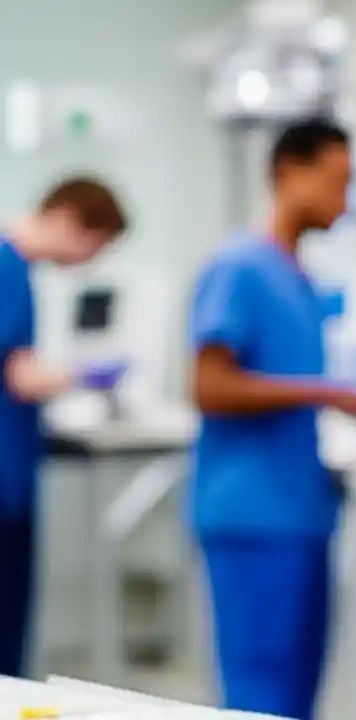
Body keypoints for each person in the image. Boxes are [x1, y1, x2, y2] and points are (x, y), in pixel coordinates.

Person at [189, 118, 356, 720]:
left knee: (297, 697)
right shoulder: (239, 266)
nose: (344, 202)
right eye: (336, 182)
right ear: (288, 173)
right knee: (259, 698)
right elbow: (210, 386)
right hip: (252, 515)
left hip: (299, 511)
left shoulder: (297, 276)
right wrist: (327, 392)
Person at [0, 177, 129, 678]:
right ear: (72, 221)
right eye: (95, 247)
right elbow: (20, 376)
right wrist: (84, 375)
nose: (89, 262)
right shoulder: (9, 270)